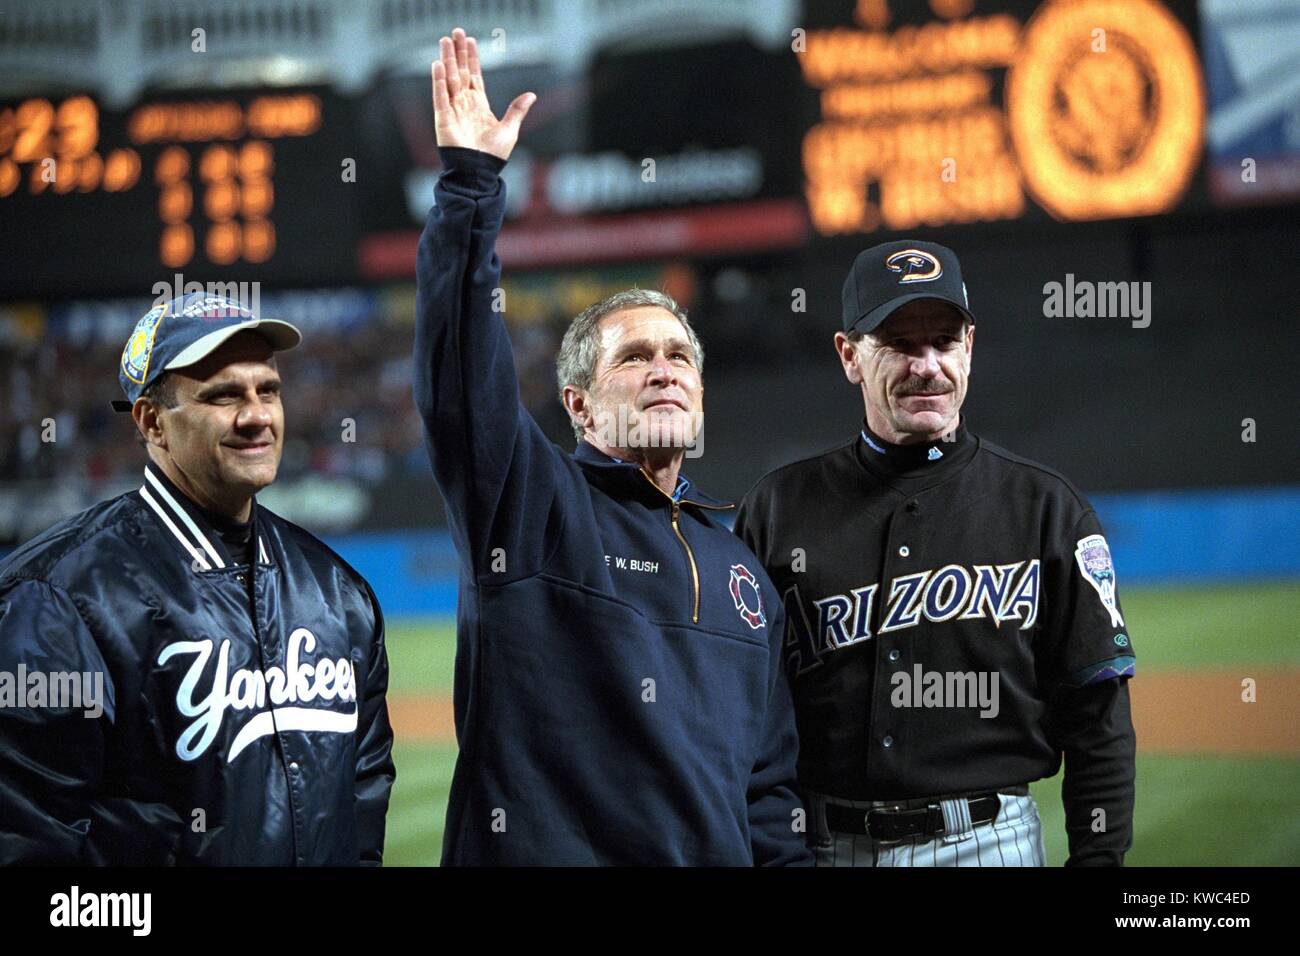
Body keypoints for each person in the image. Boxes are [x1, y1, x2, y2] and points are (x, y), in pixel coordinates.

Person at [415, 29, 809, 866]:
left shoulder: (742, 572)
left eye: (679, 359)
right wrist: (471, 187)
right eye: (633, 359)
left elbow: (769, 794)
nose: (663, 372)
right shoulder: (529, 508)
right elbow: (458, 372)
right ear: (579, 406)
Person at [734, 241, 1137, 866]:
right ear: (849, 355)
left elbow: (1098, 720)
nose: (927, 365)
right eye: (899, 343)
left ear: (969, 348)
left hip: (985, 843)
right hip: (821, 847)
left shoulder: (1045, 508)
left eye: (944, 342)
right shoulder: (776, 509)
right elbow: (741, 715)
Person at [0, 293, 395, 865]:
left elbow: (363, 798)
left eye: (269, 390)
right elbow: (27, 844)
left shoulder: (337, 593)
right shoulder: (58, 599)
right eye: (223, 396)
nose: (257, 415)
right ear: (152, 422)